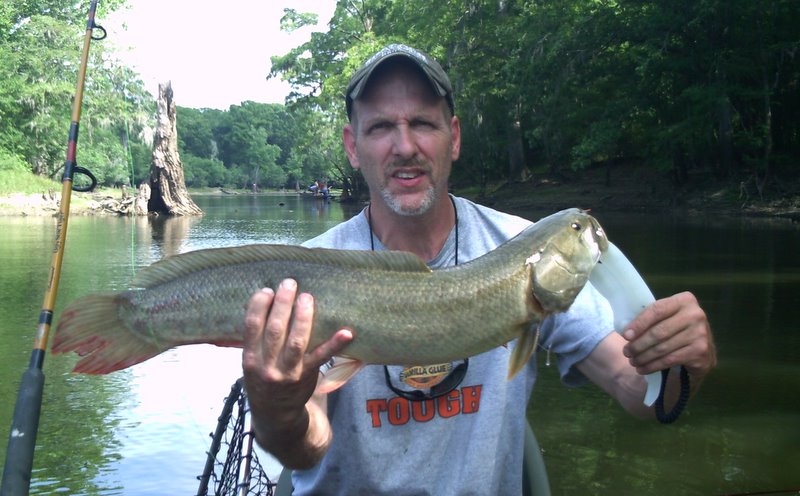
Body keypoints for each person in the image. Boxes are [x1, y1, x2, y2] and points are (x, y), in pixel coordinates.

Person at [242, 44, 716, 495]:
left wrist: (682, 363)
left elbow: (638, 391)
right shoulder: (305, 277)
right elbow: (306, 448)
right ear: (352, 145)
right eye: (381, 127)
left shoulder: (524, 248)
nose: (404, 146)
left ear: (454, 137)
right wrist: (278, 410)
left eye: (423, 123)